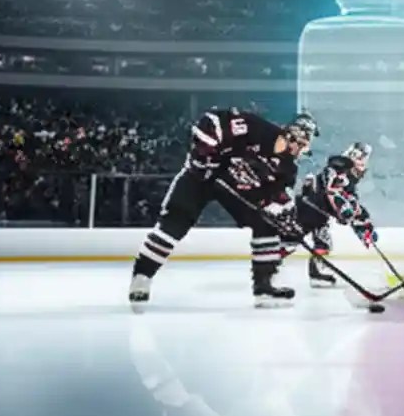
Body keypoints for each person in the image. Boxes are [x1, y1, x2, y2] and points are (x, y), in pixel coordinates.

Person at [128, 108, 319, 308]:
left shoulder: (288, 169)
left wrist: (284, 218)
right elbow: (211, 122)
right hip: (200, 178)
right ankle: (142, 275)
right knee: (174, 223)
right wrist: (205, 159)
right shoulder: (256, 128)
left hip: (235, 191)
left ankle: (264, 286)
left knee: (267, 223)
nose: (301, 151)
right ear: (293, 135)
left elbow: (271, 198)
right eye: (303, 145)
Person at [288, 142, 380, 288]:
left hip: (318, 213)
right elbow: (334, 193)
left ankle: (315, 273)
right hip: (310, 208)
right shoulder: (338, 170)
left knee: (322, 243)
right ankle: (268, 264)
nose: (363, 165)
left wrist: (363, 225)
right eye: (361, 159)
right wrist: (345, 211)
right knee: (292, 239)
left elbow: (349, 203)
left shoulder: (346, 177)